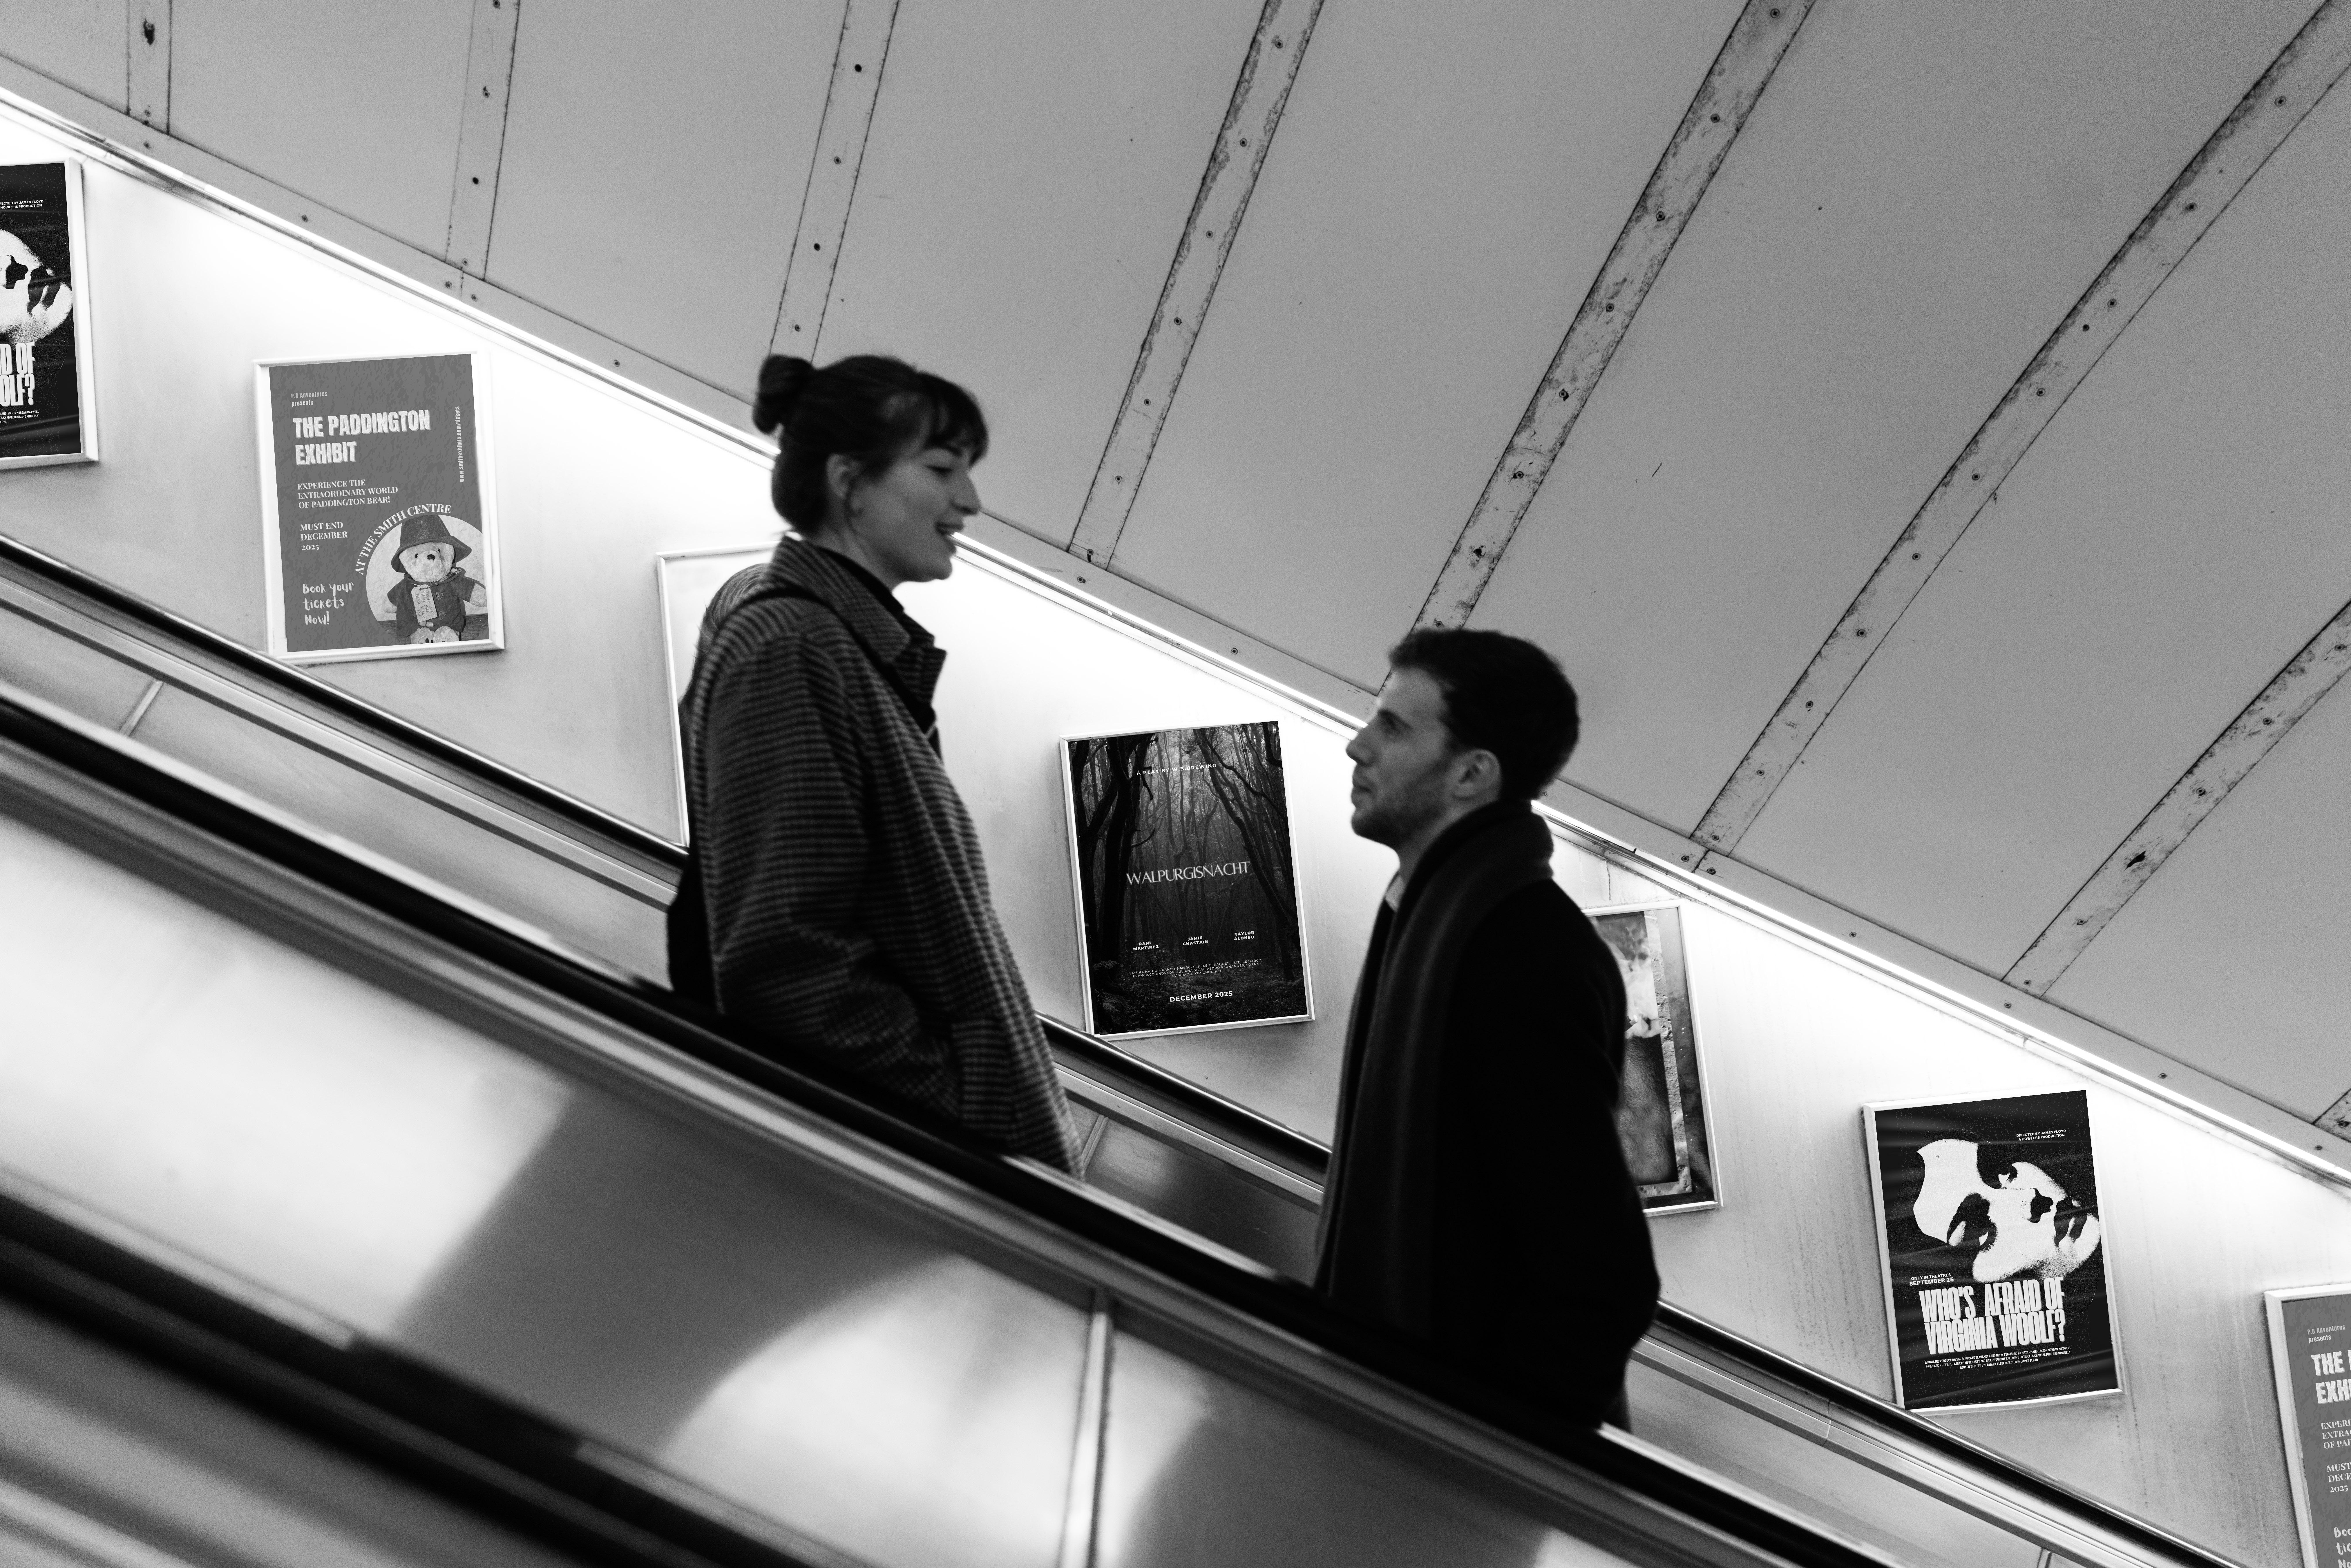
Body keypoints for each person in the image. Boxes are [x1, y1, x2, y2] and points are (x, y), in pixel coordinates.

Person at [668, 353, 1077, 1171]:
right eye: (941, 469)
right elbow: (788, 961)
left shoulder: (844, 650)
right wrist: (968, 1120)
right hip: (933, 1161)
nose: (969, 502)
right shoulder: (790, 647)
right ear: (850, 482)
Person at [1316, 627, 1657, 1432]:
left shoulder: (1519, 947)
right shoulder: (1431, 912)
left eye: (1394, 728)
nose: (1355, 746)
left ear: (1472, 774)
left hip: (1454, 1455)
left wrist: (1495, 1463)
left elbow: (1597, 1275)